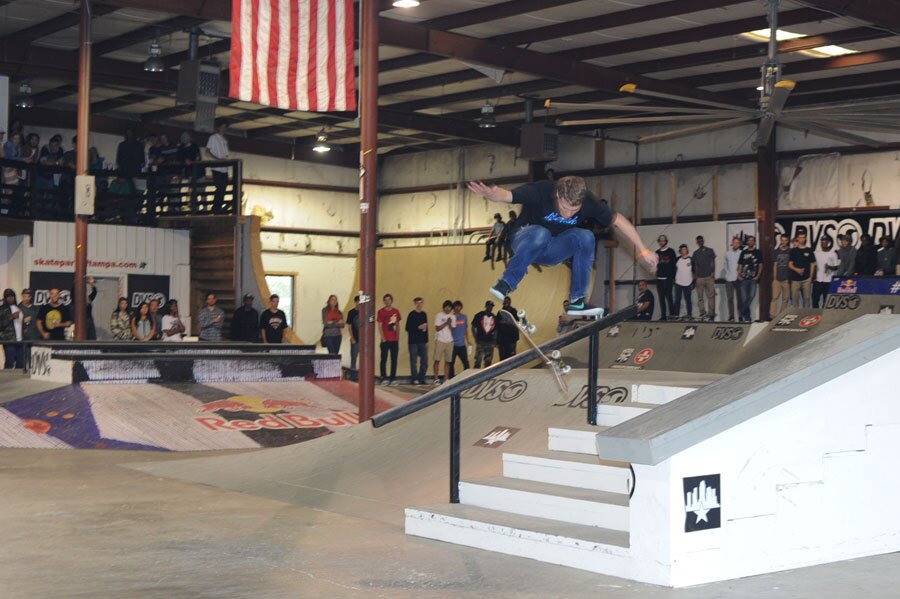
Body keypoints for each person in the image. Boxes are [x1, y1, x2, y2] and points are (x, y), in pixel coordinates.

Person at [467, 176, 656, 317]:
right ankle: (506, 283)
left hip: (552, 250)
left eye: (574, 211)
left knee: (586, 236)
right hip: (525, 240)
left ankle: (577, 301)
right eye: (565, 207)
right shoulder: (541, 190)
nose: (568, 215)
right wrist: (492, 194)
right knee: (542, 233)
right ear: (557, 195)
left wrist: (643, 249)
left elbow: (619, 221)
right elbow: (507, 195)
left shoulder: (588, 202)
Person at [205, 119, 230, 214]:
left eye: (225, 127)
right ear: (218, 127)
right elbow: (207, 151)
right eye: (222, 127)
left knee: (223, 187)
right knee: (220, 187)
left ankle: (218, 206)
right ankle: (216, 207)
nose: (224, 129)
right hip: (216, 167)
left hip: (224, 167)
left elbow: (226, 155)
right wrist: (216, 159)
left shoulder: (224, 140)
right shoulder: (213, 138)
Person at [376, 293, 401, 385]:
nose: (387, 302)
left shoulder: (396, 311)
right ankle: (384, 377)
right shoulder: (381, 312)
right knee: (384, 359)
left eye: (389, 300)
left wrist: (397, 336)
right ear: (384, 301)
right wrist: (383, 337)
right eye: (386, 300)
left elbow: (397, 324)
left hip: (394, 339)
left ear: (391, 301)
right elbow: (379, 325)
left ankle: (393, 378)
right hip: (385, 340)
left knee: (394, 359)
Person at [737, 236, 762, 322]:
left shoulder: (758, 252)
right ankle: (747, 318)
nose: (750, 242)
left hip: (753, 279)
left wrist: (758, 276)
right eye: (749, 241)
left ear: (754, 242)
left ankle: (740, 312)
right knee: (745, 299)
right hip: (744, 279)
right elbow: (740, 265)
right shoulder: (743, 252)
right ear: (747, 242)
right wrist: (738, 275)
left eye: (752, 241)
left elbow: (760, 265)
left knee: (751, 296)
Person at [405, 297, 428, 385]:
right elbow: (407, 328)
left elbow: (426, 328)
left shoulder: (424, 314)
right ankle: (414, 378)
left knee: (424, 360)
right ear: (415, 304)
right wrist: (418, 327)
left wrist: (427, 341)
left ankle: (421, 377)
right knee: (413, 361)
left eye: (421, 302)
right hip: (413, 341)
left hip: (422, 341)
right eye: (418, 303)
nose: (419, 304)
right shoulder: (411, 314)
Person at [692, 235, 716, 321]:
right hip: (699, 278)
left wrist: (713, 273)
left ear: (703, 241)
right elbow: (695, 266)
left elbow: (713, 262)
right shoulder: (695, 253)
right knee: (700, 297)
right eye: (698, 241)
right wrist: (695, 278)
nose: (700, 242)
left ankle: (711, 314)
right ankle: (702, 312)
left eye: (701, 240)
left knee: (711, 296)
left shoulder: (710, 250)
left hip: (709, 276)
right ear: (697, 242)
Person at [788, 234, 816, 308]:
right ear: (798, 238)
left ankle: (805, 317)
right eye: (800, 237)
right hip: (795, 280)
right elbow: (790, 264)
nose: (802, 239)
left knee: (807, 299)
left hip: (806, 279)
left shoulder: (809, 250)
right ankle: (795, 317)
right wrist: (796, 269)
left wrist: (810, 277)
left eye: (803, 237)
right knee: (795, 300)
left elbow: (812, 264)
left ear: (805, 238)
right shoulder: (793, 251)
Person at [432, 300, 455, 384]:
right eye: (446, 306)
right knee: (437, 360)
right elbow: (437, 328)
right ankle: (436, 378)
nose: (448, 308)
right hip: (440, 340)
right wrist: (446, 322)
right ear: (443, 307)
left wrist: (449, 324)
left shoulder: (453, 317)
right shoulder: (439, 315)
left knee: (448, 361)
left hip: (450, 341)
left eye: (449, 307)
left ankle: (446, 378)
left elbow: (453, 330)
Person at [655, 234, 676, 321]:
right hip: (659, 278)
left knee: (669, 297)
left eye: (663, 240)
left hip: (668, 278)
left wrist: (672, 277)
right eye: (660, 240)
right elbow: (654, 265)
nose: (662, 242)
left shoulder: (671, 251)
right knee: (661, 298)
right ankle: (663, 316)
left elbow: (674, 265)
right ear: (659, 242)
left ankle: (672, 315)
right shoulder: (656, 253)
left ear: (666, 241)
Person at [770, 234, 792, 317]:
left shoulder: (790, 251)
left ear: (788, 241)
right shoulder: (776, 251)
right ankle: (772, 315)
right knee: (775, 298)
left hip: (786, 279)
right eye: (782, 240)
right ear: (780, 240)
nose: (784, 242)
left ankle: (781, 315)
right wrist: (775, 278)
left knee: (785, 298)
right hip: (777, 279)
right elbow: (775, 265)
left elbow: (791, 264)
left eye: (785, 240)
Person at [448, 300, 471, 379]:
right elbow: (449, 329)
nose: (457, 308)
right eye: (455, 306)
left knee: (466, 362)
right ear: (453, 308)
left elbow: (465, 330)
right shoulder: (451, 317)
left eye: (459, 306)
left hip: (462, 344)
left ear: (461, 307)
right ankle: (451, 378)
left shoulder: (464, 317)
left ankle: (467, 377)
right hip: (452, 344)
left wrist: (468, 340)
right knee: (451, 363)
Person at [813, 238, 839, 308]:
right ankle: (816, 314)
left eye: (824, 242)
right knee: (815, 299)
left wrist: (829, 267)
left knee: (826, 300)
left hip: (828, 280)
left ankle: (824, 314)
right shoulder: (816, 254)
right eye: (821, 243)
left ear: (828, 243)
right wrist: (814, 277)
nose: (822, 244)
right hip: (818, 280)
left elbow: (836, 267)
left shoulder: (833, 254)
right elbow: (814, 266)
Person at [723, 236, 743, 322]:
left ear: (739, 244)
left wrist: (740, 274)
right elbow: (725, 265)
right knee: (730, 298)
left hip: (738, 279)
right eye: (734, 242)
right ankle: (731, 316)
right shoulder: (727, 253)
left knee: (740, 299)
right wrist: (727, 273)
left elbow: (743, 265)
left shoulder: (742, 253)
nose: (735, 244)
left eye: (737, 243)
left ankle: (740, 316)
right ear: (732, 243)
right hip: (729, 279)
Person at [471, 300, 497, 368]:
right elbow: (473, 327)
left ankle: (486, 376)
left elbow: (496, 329)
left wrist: (494, 339)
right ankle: (475, 376)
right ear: (486, 306)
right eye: (489, 306)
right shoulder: (479, 315)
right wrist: (476, 338)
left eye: (492, 306)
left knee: (488, 361)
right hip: (480, 341)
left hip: (490, 341)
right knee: (478, 360)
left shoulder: (494, 317)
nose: (490, 308)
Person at [3, 289, 23, 369]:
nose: (10, 298)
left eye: (12, 296)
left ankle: (19, 381)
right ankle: (6, 381)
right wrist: (11, 317)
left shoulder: (18, 307)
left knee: (21, 364)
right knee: (9, 363)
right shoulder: (2, 309)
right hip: (9, 340)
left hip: (20, 340)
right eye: (7, 297)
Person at [673, 244, 694, 320]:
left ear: (687, 250)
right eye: (682, 249)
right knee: (677, 300)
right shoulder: (677, 259)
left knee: (688, 300)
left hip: (688, 283)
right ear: (680, 251)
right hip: (678, 283)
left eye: (685, 249)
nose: (683, 251)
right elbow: (673, 270)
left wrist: (693, 282)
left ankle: (689, 315)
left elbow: (694, 271)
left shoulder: (691, 259)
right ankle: (676, 315)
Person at [346, 296, 360, 374]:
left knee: (365, 359)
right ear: (355, 302)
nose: (359, 303)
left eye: (360, 302)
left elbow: (370, 322)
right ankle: (353, 375)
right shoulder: (351, 312)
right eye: (357, 302)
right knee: (353, 358)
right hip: (355, 339)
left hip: (364, 340)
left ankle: (364, 375)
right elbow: (349, 326)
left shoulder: (367, 311)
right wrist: (352, 338)